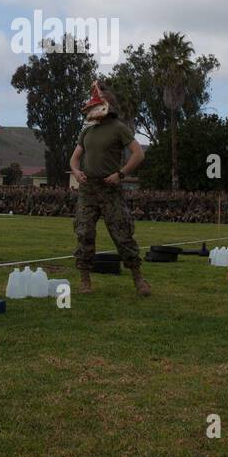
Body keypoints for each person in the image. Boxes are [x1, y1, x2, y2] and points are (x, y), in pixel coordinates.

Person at [70, 81, 150, 296]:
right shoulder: (87, 130)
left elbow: (138, 154)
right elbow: (74, 159)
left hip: (109, 187)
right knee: (84, 232)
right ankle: (85, 280)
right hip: (88, 190)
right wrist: (76, 173)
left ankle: (138, 279)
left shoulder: (118, 128)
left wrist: (121, 174)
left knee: (122, 233)